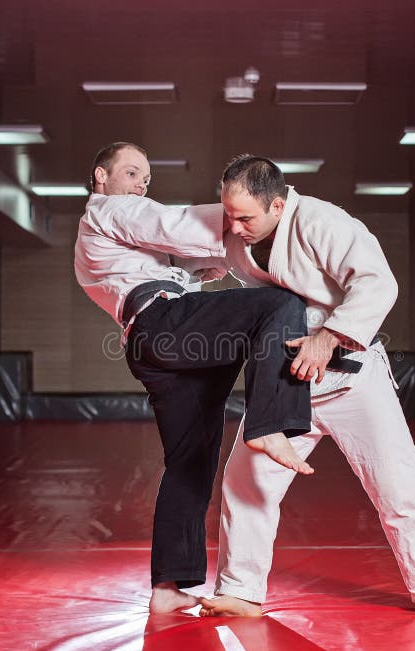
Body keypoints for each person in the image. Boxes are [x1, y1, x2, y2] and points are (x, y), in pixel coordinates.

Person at [199, 155, 415, 620]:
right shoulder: (234, 232)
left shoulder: (323, 223)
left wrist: (328, 337)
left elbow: (377, 283)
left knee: (399, 484)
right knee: (245, 482)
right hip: (285, 381)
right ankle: (242, 591)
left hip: (351, 379)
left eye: (245, 217)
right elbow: (197, 259)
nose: (235, 226)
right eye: (228, 215)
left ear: (279, 205)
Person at [74, 143, 314, 614]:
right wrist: (252, 208)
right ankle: (271, 423)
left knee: (190, 462)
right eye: (131, 171)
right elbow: (168, 224)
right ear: (100, 175)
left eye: (146, 175)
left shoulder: (99, 241)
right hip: (165, 327)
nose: (142, 181)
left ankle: (168, 587)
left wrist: (193, 273)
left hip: (155, 346)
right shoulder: (107, 211)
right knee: (283, 306)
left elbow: (145, 276)